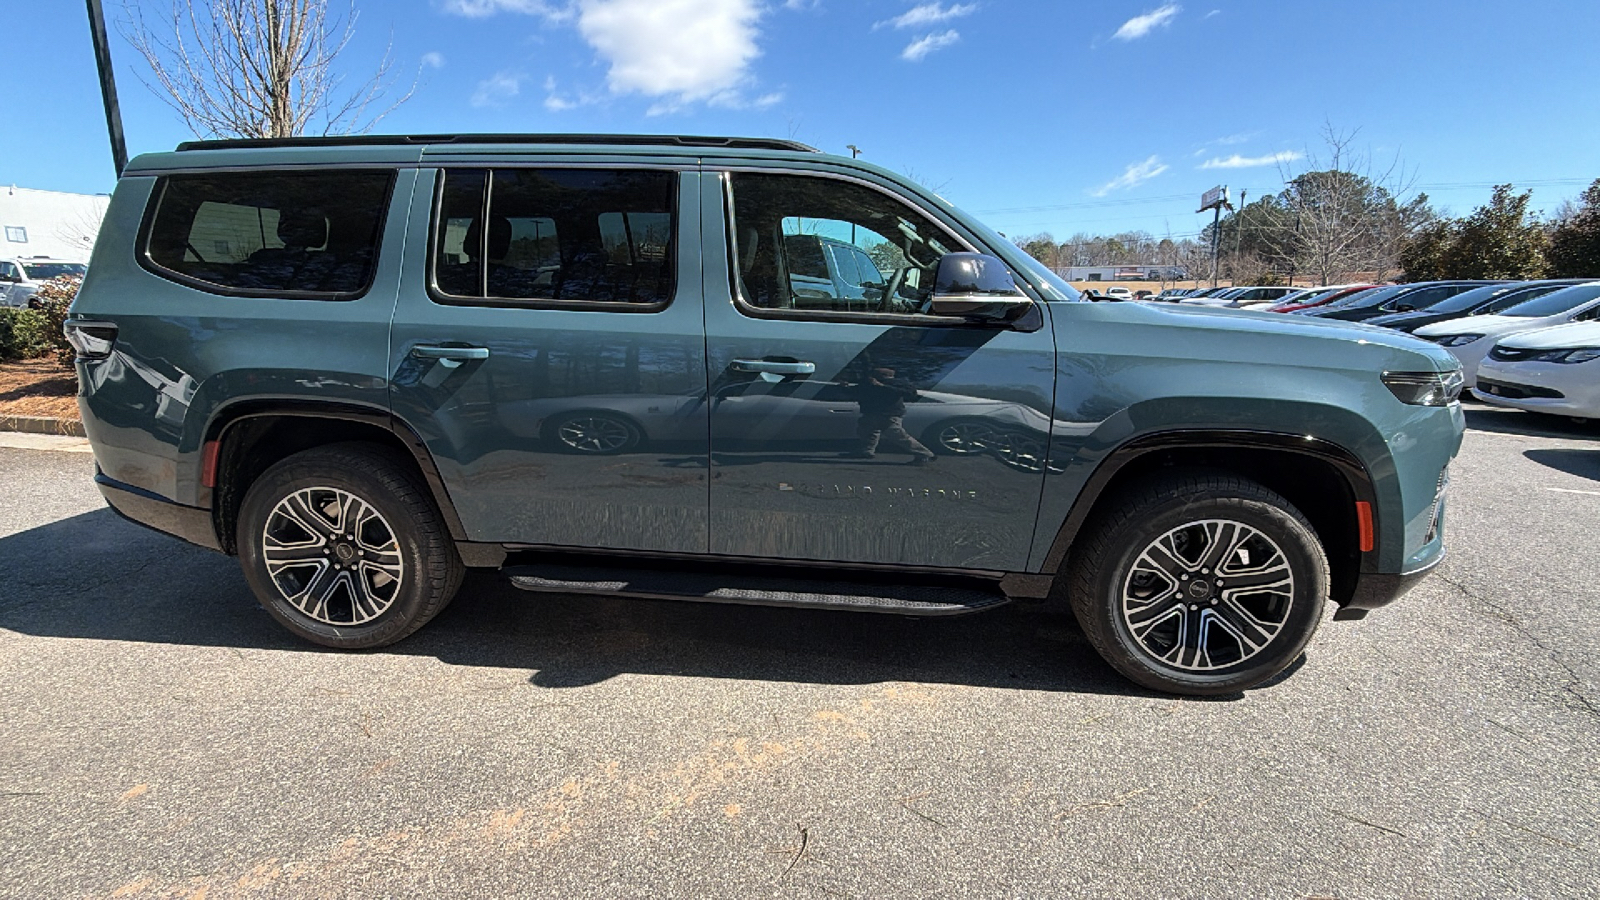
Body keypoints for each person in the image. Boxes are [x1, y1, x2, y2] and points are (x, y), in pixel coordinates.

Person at [841, 367, 936, 465]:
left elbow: (909, 394)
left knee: (897, 435)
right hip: (870, 412)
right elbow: (857, 392)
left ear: (885, 376)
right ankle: (866, 451)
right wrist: (845, 387)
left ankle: (925, 454)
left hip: (889, 414)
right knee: (867, 432)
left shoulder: (898, 383)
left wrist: (881, 385)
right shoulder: (869, 384)